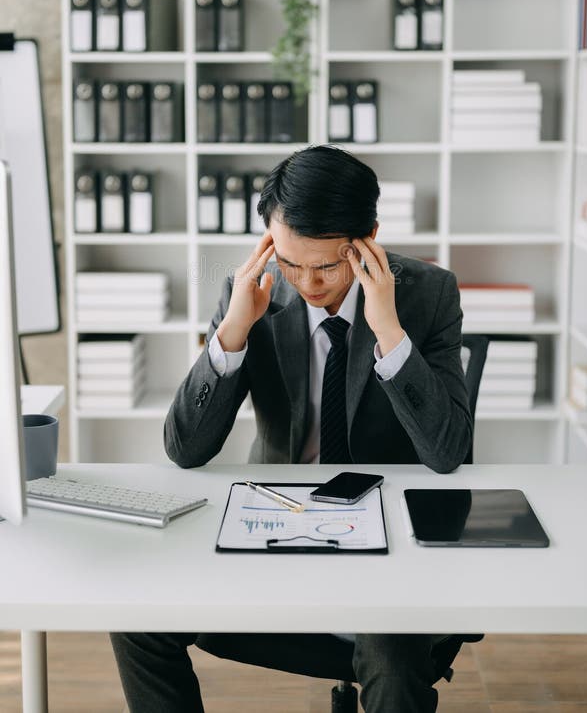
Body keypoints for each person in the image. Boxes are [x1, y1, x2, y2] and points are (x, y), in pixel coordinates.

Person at [110, 145, 471, 712]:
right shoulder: (253, 292)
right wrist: (233, 331)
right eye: (288, 261)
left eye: (326, 266)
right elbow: (185, 448)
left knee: (394, 662)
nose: (306, 282)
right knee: (136, 615)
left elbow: (447, 452)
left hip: (387, 545)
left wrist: (388, 330)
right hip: (276, 524)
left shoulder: (429, 294)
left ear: (369, 240)